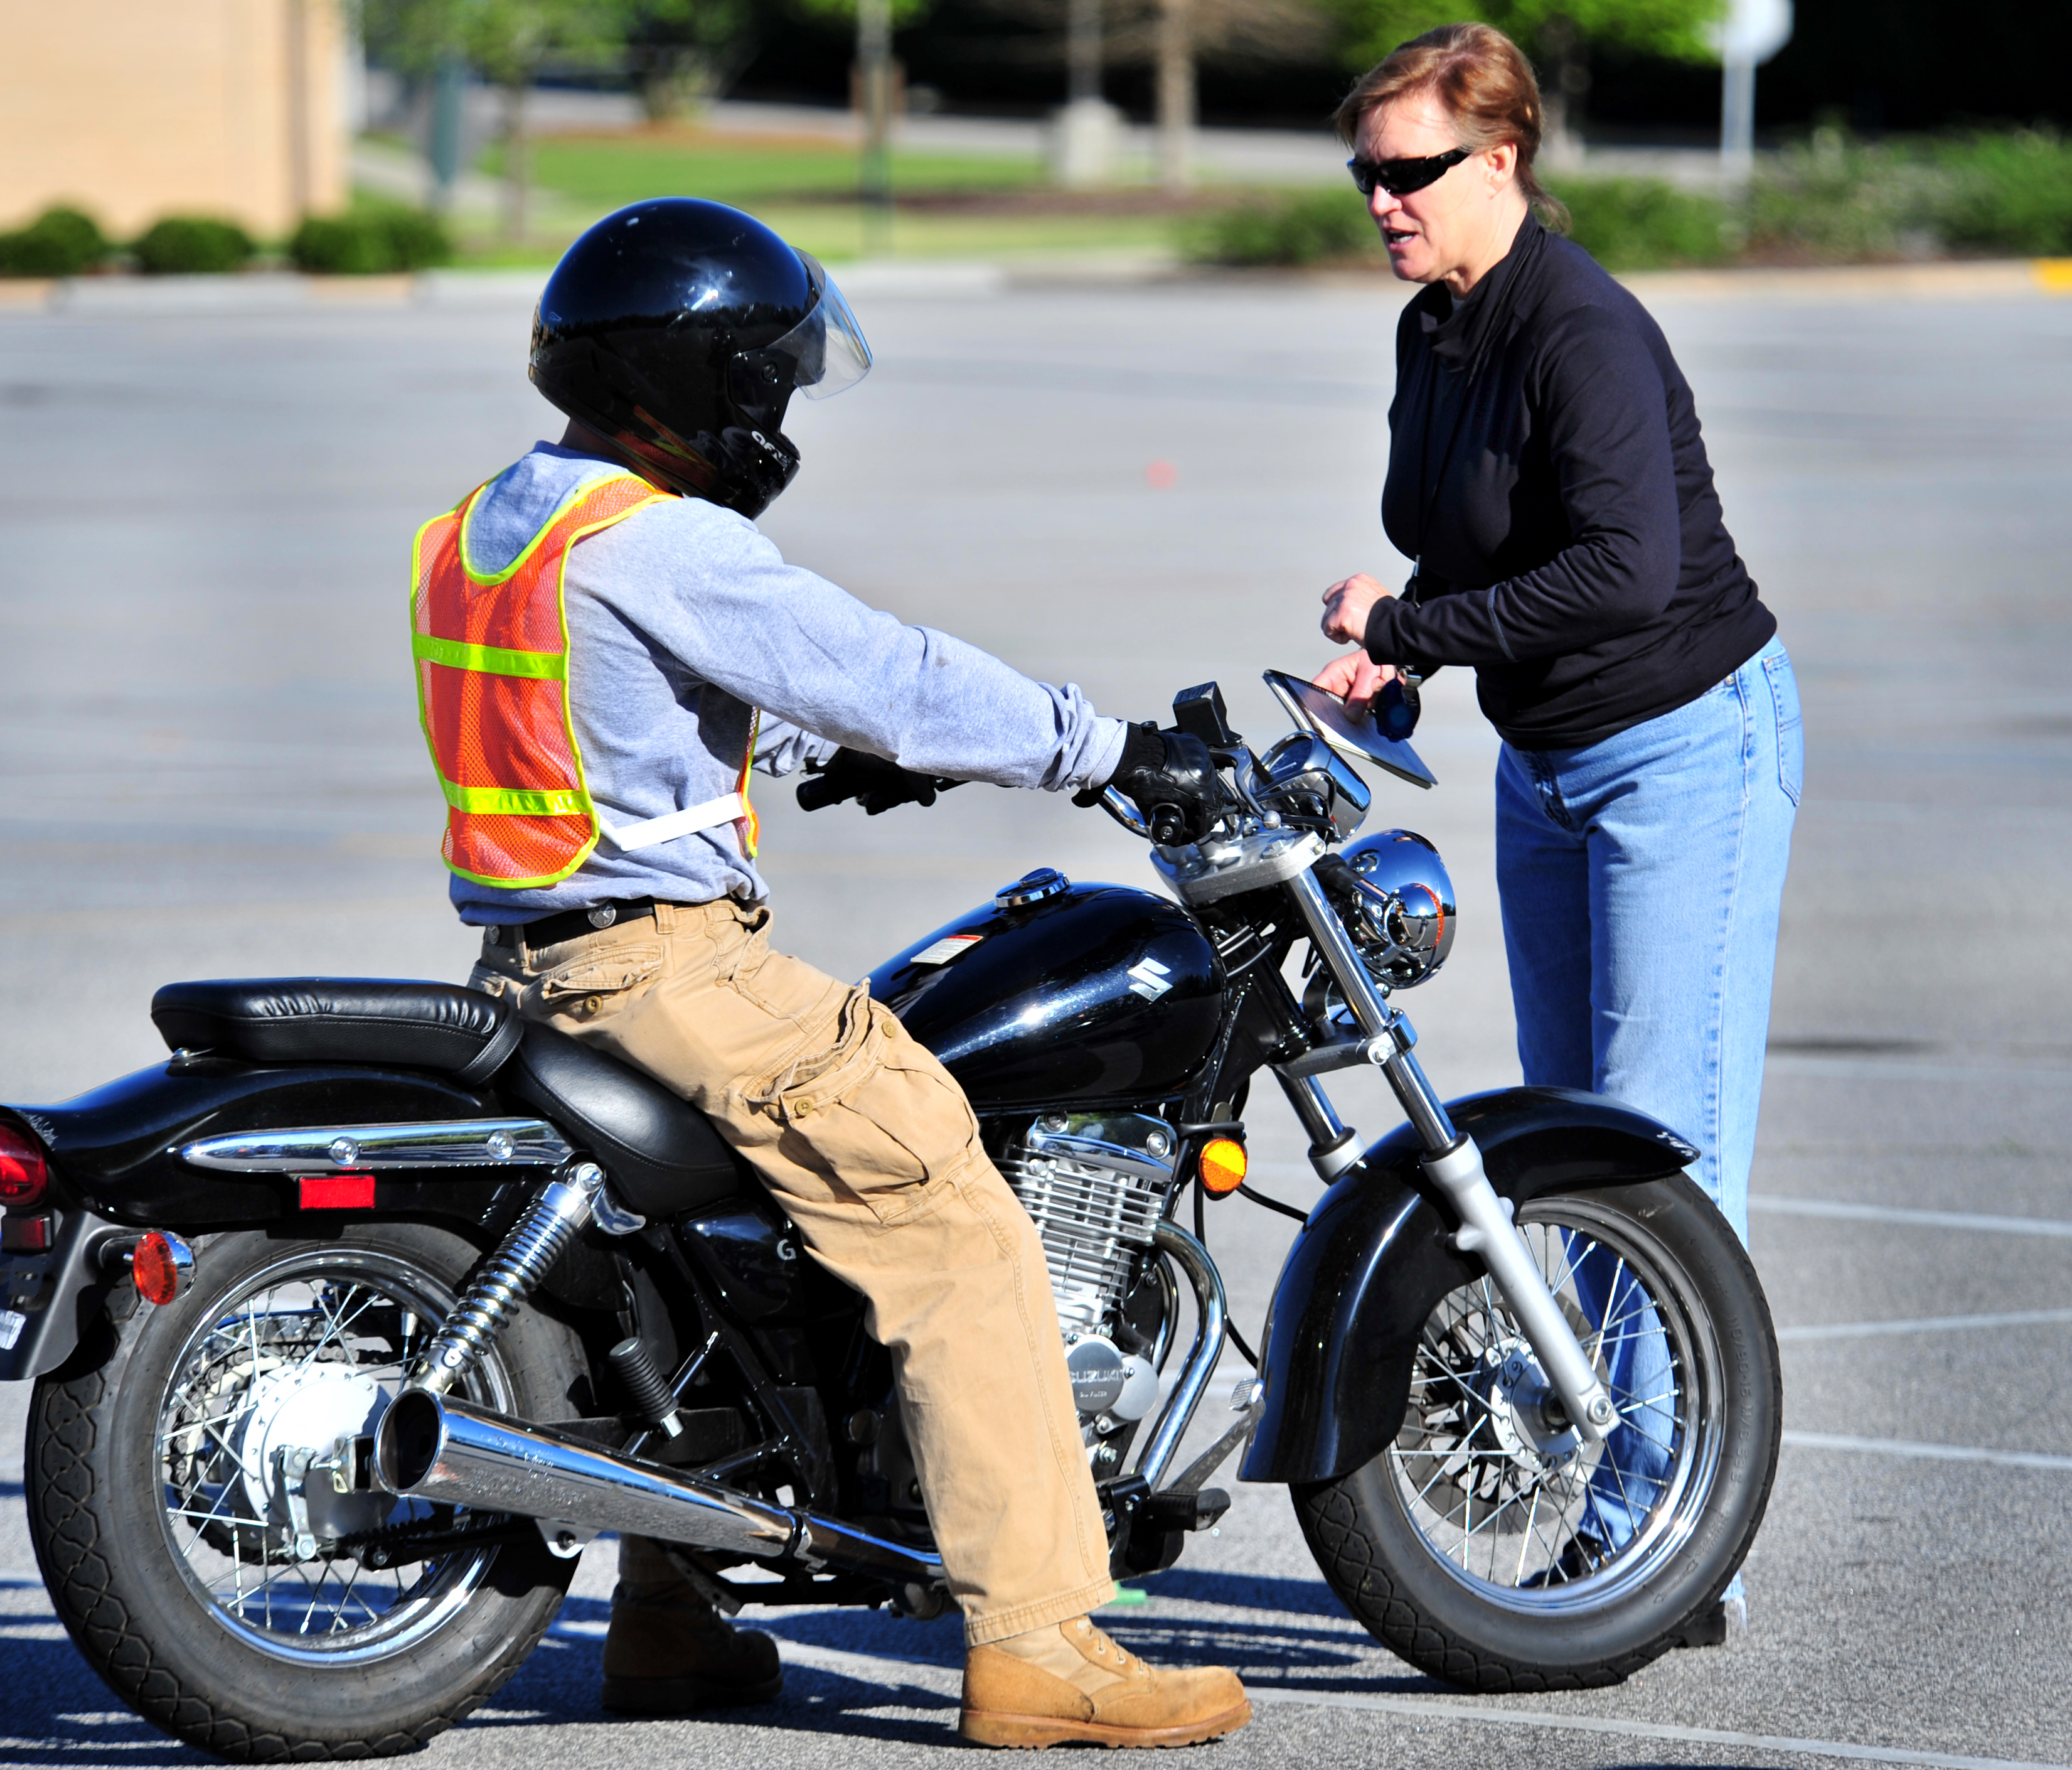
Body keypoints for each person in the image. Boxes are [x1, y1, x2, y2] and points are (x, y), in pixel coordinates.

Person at [410, 195, 1251, 1749]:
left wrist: (801, 748)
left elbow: (603, 717)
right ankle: (1043, 1645)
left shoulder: (490, 528)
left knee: (695, 1273)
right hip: (671, 977)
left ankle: (670, 1614)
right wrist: (1108, 746)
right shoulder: (665, 539)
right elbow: (890, 673)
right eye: (769, 382)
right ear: (705, 378)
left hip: (524, 974)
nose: (782, 413)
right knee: (955, 1219)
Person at [1311, 24, 1802, 1626]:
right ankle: (1645, 1495)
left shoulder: (1577, 326)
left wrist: (1414, 623)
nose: (1384, 200)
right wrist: (1397, 660)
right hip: (1546, 761)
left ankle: (1673, 1527)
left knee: (1656, 1140)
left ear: (1501, 160)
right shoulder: (1434, 330)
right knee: (1567, 1139)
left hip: (1681, 753)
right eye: (1365, 173)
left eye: (1412, 171)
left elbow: (1621, 572)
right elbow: (1475, 557)